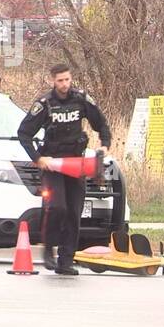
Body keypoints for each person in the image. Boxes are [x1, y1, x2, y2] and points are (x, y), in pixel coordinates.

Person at [17, 63, 111, 275]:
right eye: (60, 80)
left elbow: (101, 124)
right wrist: (38, 158)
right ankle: (49, 247)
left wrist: (105, 144)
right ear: (53, 80)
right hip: (53, 164)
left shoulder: (81, 100)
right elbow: (24, 133)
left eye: (67, 79)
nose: (65, 84)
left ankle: (66, 261)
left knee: (74, 213)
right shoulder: (44, 104)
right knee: (57, 207)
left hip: (76, 164)